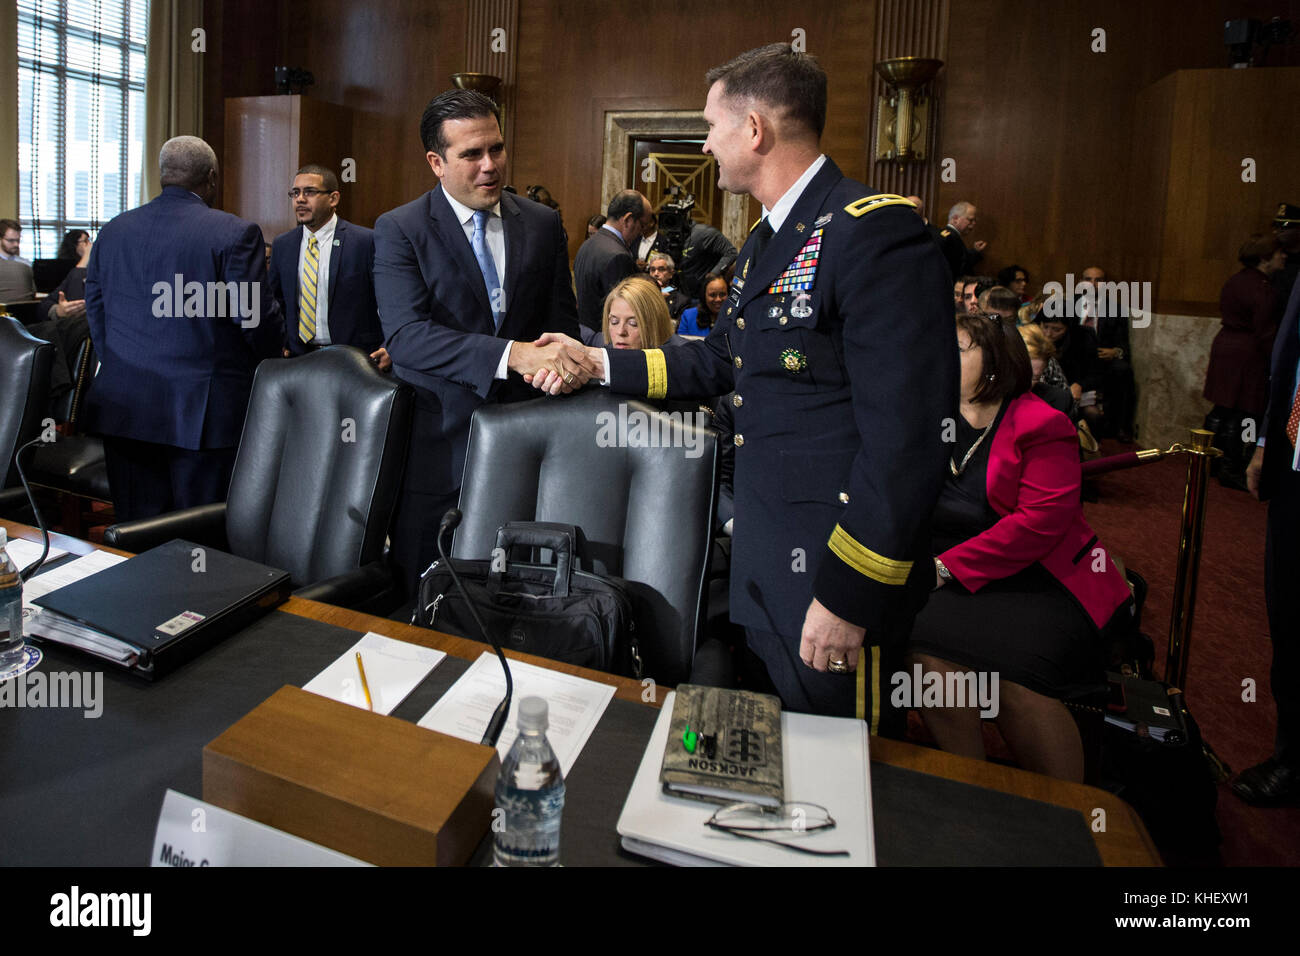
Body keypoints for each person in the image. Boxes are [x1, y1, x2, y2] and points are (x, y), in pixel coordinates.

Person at [529, 43, 957, 725]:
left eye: (711, 125)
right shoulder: (767, 242)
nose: (705, 142)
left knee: (841, 781)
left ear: (753, 130)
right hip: (765, 561)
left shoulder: (873, 233)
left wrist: (851, 594)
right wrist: (597, 362)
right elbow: (720, 359)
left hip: (832, 579)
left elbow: (908, 441)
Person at [372, 88, 588, 598]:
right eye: (471, 154)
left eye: (497, 149)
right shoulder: (400, 229)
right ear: (436, 162)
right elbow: (407, 338)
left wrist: (563, 366)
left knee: (520, 602)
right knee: (427, 607)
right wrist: (513, 354)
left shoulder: (541, 223)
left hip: (530, 451)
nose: (490, 166)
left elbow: (563, 328)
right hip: (438, 454)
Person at [908, 313, 1131, 781]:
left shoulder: (1042, 423)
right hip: (956, 577)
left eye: (958, 348)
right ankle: (970, 786)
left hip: (1045, 580)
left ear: (993, 364)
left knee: (1014, 681)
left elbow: (1038, 525)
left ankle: (1068, 811)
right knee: (924, 656)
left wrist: (943, 568)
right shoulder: (931, 414)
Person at [82, 135, 284, 521]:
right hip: (202, 416)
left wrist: (122, 366)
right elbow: (254, 319)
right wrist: (275, 359)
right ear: (210, 178)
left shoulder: (112, 230)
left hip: (124, 408)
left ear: (163, 175)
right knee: (200, 537)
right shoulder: (234, 233)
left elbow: (97, 311)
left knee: (135, 531)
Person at [1238, 271, 1300, 804]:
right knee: (1288, 617)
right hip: (1294, 471)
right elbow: (1287, 365)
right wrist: (1263, 443)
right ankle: (1292, 758)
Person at [269, 163, 388, 369]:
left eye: (310, 192)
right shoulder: (283, 244)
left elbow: (389, 301)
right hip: (298, 360)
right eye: (295, 193)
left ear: (333, 198)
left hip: (356, 359)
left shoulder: (364, 241)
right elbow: (275, 301)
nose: (300, 199)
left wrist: (390, 346)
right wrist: (279, 342)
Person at [1204, 235, 1286, 490]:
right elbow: (1265, 330)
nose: (1283, 256)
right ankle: (1232, 466)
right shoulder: (1262, 288)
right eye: (1278, 252)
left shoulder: (1236, 280)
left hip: (1227, 345)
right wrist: (1278, 360)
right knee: (1245, 412)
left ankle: (1209, 462)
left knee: (1223, 408)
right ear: (1265, 258)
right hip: (1248, 353)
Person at [573, 189, 652, 332]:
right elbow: (626, 311)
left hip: (585, 335)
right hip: (607, 342)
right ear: (628, 219)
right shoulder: (618, 256)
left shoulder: (587, 244)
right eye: (642, 225)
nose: (642, 232)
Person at [1078, 265, 1136, 443]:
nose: (1093, 284)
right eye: (1088, 279)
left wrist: (1115, 352)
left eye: (1098, 280)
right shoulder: (1067, 306)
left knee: (1123, 369)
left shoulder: (1117, 310)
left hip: (1102, 359)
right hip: (1076, 356)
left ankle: (1121, 427)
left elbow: (1123, 346)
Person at [1038, 311, 1101, 432]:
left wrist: (1080, 384)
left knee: (1093, 415)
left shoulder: (1083, 339)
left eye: (1057, 330)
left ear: (1068, 328)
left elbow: (1096, 374)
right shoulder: (1033, 338)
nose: (1048, 334)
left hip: (1074, 392)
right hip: (1044, 393)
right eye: (1045, 327)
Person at [602, 275, 681, 351]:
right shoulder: (601, 352)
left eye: (633, 323)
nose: (620, 332)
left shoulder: (681, 357)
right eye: (614, 322)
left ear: (656, 323)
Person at [1019, 321, 1074, 420]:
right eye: (1020, 373)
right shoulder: (987, 398)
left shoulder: (1059, 403)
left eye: (1034, 378)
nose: (1025, 384)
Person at [676, 219, 738, 299]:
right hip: (679, 292)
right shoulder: (668, 237)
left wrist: (714, 273)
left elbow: (731, 252)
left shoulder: (704, 233)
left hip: (703, 294)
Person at [930, 202, 986, 280]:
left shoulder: (947, 236)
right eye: (970, 220)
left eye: (975, 220)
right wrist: (975, 253)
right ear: (955, 218)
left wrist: (975, 251)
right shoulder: (951, 238)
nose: (974, 223)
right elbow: (960, 266)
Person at [645, 252, 692, 319]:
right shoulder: (641, 294)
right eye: (652, 270)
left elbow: (675, 327)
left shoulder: (681, 301)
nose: (656, 274)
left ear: (671, 273)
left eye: (661, 269)